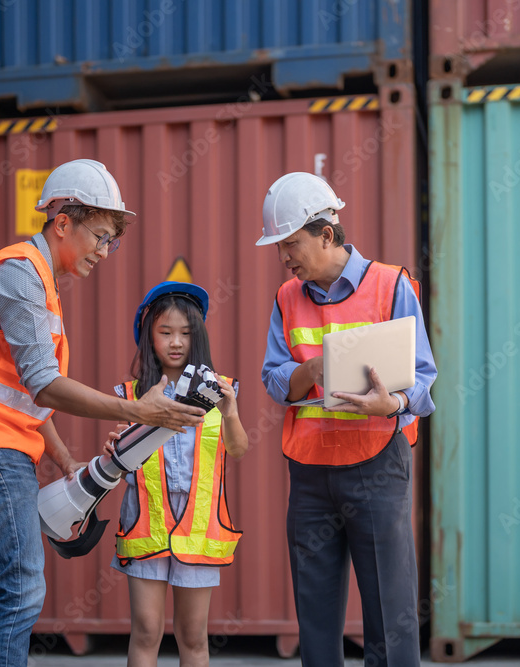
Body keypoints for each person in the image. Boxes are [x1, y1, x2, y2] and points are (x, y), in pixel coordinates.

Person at [0, 159, 206, 667]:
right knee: (22, 590)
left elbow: (18, 391)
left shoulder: (42, 283)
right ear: (62, 223)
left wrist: (58, 456)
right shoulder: (20, 274)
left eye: (111, 242)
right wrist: (137, 408)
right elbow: (44, 384)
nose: (105, 251)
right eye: (100, 237)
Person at [258, 172, 437, 667]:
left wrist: (393, 405)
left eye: (290, 244)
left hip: (377, 465)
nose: (284, 258)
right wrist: (308, 372)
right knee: (315, 619)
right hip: (310, 471)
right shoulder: (286, 297)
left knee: (390, 612)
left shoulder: (391, 284)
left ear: (327, 235)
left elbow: (423, 380)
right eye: (278, 247)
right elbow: (273, 379)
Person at [102, 281, 247, 667]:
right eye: (165, 332)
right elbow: (117, 475)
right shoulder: (130, 396)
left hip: (199, 532)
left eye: (185, 333)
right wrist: (114, 457)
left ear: (198, 337)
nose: (176, 342)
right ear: (149, 337)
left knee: (193, 637)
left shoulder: (222, 392)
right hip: (145, 529)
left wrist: (230, 411)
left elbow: (238, 449)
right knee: (147, 631)